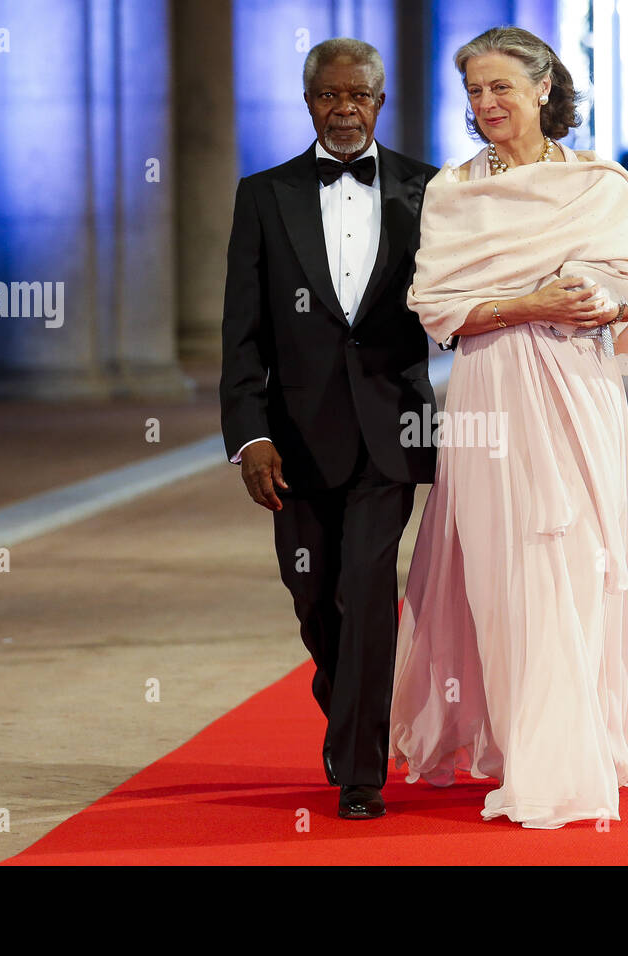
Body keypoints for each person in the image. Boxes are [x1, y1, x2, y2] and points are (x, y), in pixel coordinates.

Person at [389, 26, 628, 829]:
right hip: (490, 392)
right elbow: (437, 309)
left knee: (584, 560)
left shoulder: (602, 184)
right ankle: (529, 752)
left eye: (501, 90)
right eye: (475, 92)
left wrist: (604, 296)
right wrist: (532, 303)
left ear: (544, 90)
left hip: (580, 389)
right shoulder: (453, 191)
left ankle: (573, 751)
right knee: (505, 567)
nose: (487, 105)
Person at [219, 37, 438, 820]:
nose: (344, 109)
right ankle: (344, 704)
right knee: (313, 595)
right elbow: (240, 329)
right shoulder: (263, 195)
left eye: (359, 97)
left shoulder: (428, 189)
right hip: (296, 435)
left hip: (393, 425)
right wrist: (248, 435)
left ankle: (360, 771)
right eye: (328, 96)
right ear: (308, 101)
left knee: (368, 590)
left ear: (380, 102)